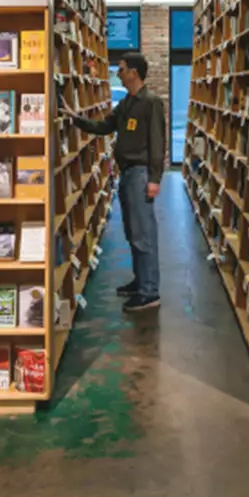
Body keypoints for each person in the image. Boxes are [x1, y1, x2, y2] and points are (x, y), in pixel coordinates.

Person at [64, 52, 167, 313]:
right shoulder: (127, 103)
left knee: (143, 234)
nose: (118, 73)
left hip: (141, 173)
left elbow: (158, 143)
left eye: (121, 69)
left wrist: (155, 178)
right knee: (133, 232)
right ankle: (141, 282)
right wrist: (75, 117)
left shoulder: (151, 103)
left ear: (134, 72)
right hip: (128, 173)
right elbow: (105, 127)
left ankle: (149, 292)